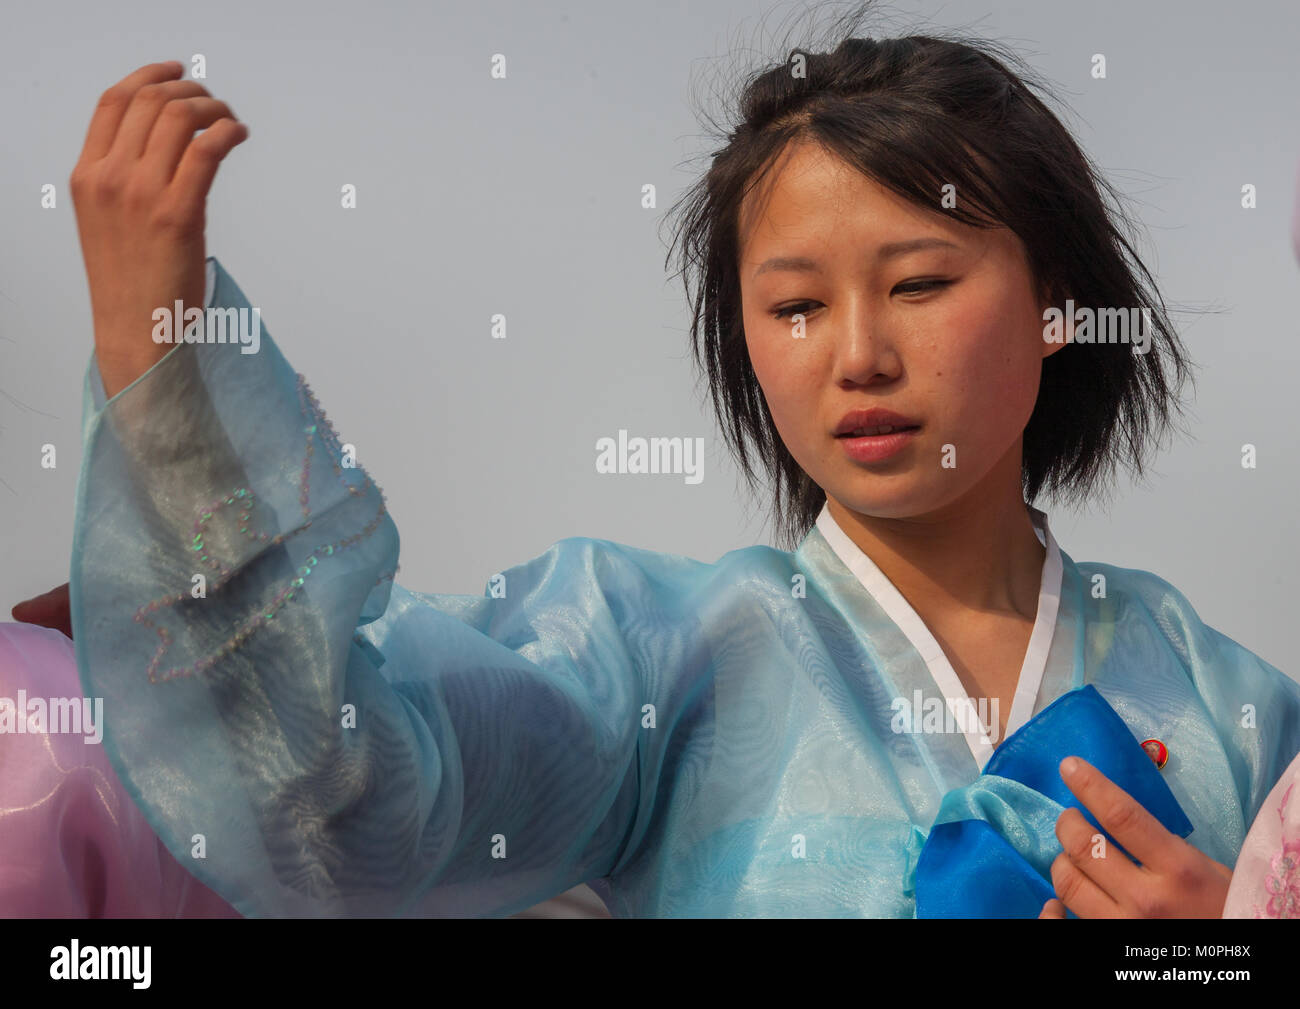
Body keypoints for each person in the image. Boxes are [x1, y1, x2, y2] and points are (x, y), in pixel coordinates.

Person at [53, 14, 1300, 918]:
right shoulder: (656, 656)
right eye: (796, 306)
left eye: (919, 283)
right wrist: (162, 371)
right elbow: (337, 795)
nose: (857, 356)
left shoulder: (1233, 707)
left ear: (1055, 307)